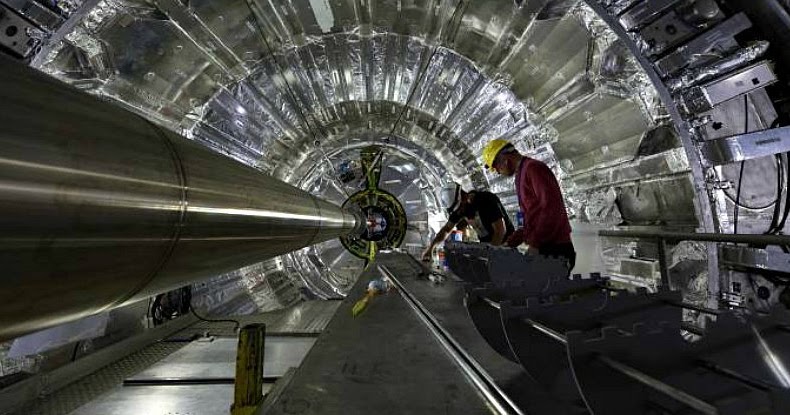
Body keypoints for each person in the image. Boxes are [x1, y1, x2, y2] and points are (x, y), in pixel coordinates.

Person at [481, 139, 576, 270]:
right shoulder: (521, 175)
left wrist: (535, 245)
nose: (497, 172)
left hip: (555, 250)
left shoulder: (534, 169)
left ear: (505, 160)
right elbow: (529, 219)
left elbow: (550, 209)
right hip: (543, 249)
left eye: (496, 167)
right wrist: (509, 244)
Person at [421, 183, 515, 262]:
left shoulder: (487, 200)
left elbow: (500, 231)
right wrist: (430, 248)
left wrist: (490, 255)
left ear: (465, 197)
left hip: (506, 245)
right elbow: (446, 230)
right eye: (457, 211)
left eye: (459, 209)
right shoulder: (460, 208)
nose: (459, 213)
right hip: (488, 247)